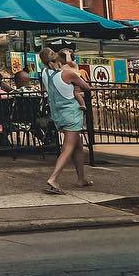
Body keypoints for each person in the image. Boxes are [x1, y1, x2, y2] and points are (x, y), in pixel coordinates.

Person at [41, 47, 91, 193]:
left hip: (57, 113)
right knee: (68, 147)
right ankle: (53, 178)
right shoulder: (67, 74)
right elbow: (86, 87)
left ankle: (81, 178)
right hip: (71, 113)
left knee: (78, 146)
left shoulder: (44, 72)